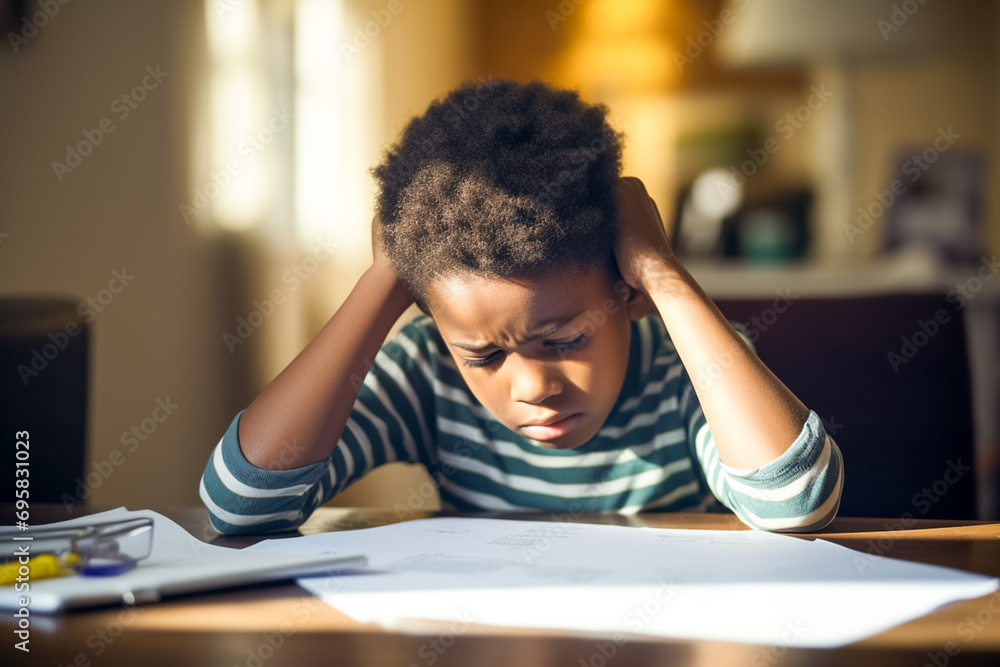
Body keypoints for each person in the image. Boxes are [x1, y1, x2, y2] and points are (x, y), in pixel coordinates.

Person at [199, 79, 843, 535]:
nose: (534, 386)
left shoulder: (690, 368)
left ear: (627, 295)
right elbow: (240, 504)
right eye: (483, 355)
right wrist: (385, 279)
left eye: (565, 340)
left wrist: (661, 271)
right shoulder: (426, 372)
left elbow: (796, 503)